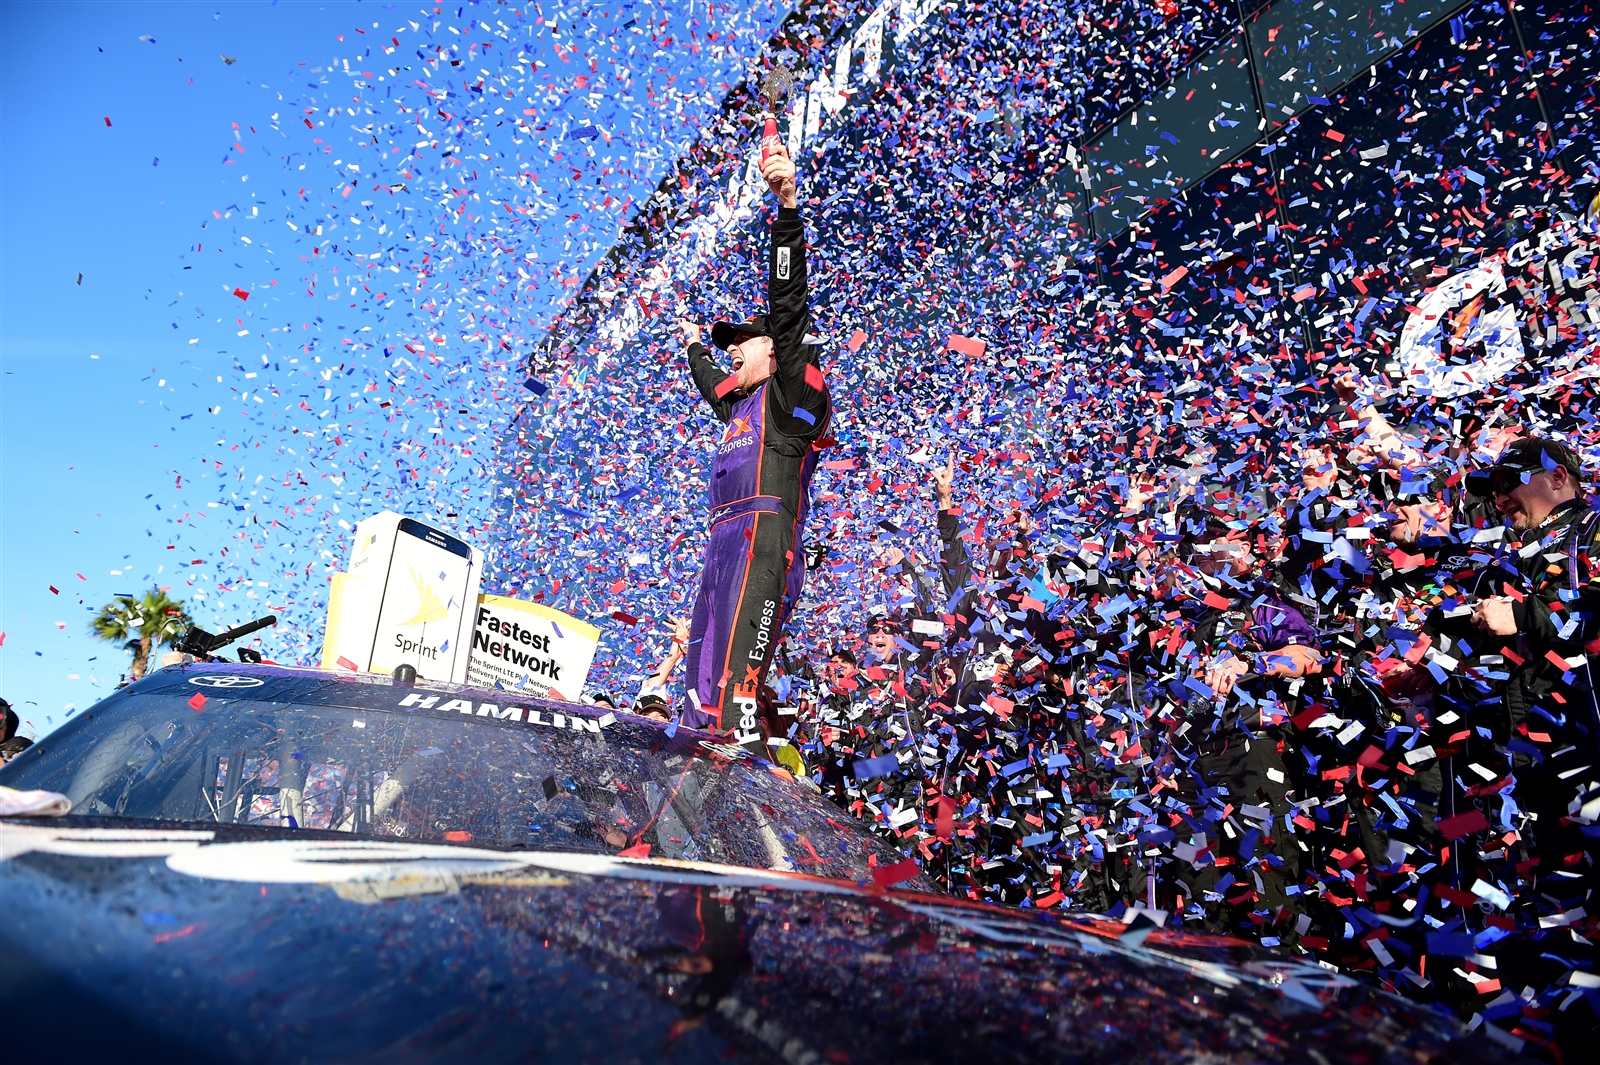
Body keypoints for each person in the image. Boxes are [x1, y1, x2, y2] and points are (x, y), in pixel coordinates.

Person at [673, 146, 831, 746]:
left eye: (744, 341)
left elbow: (789, 310)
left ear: (775, 349)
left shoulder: (791, 388)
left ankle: (727, 802)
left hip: (762, 539)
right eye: (728, 344)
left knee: (734, 687)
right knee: (698, 683)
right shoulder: (738, 400)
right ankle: (679, 811)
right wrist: (693, 345)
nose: (733, 349)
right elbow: (710, 380)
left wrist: (786, 207)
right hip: (720, 541)